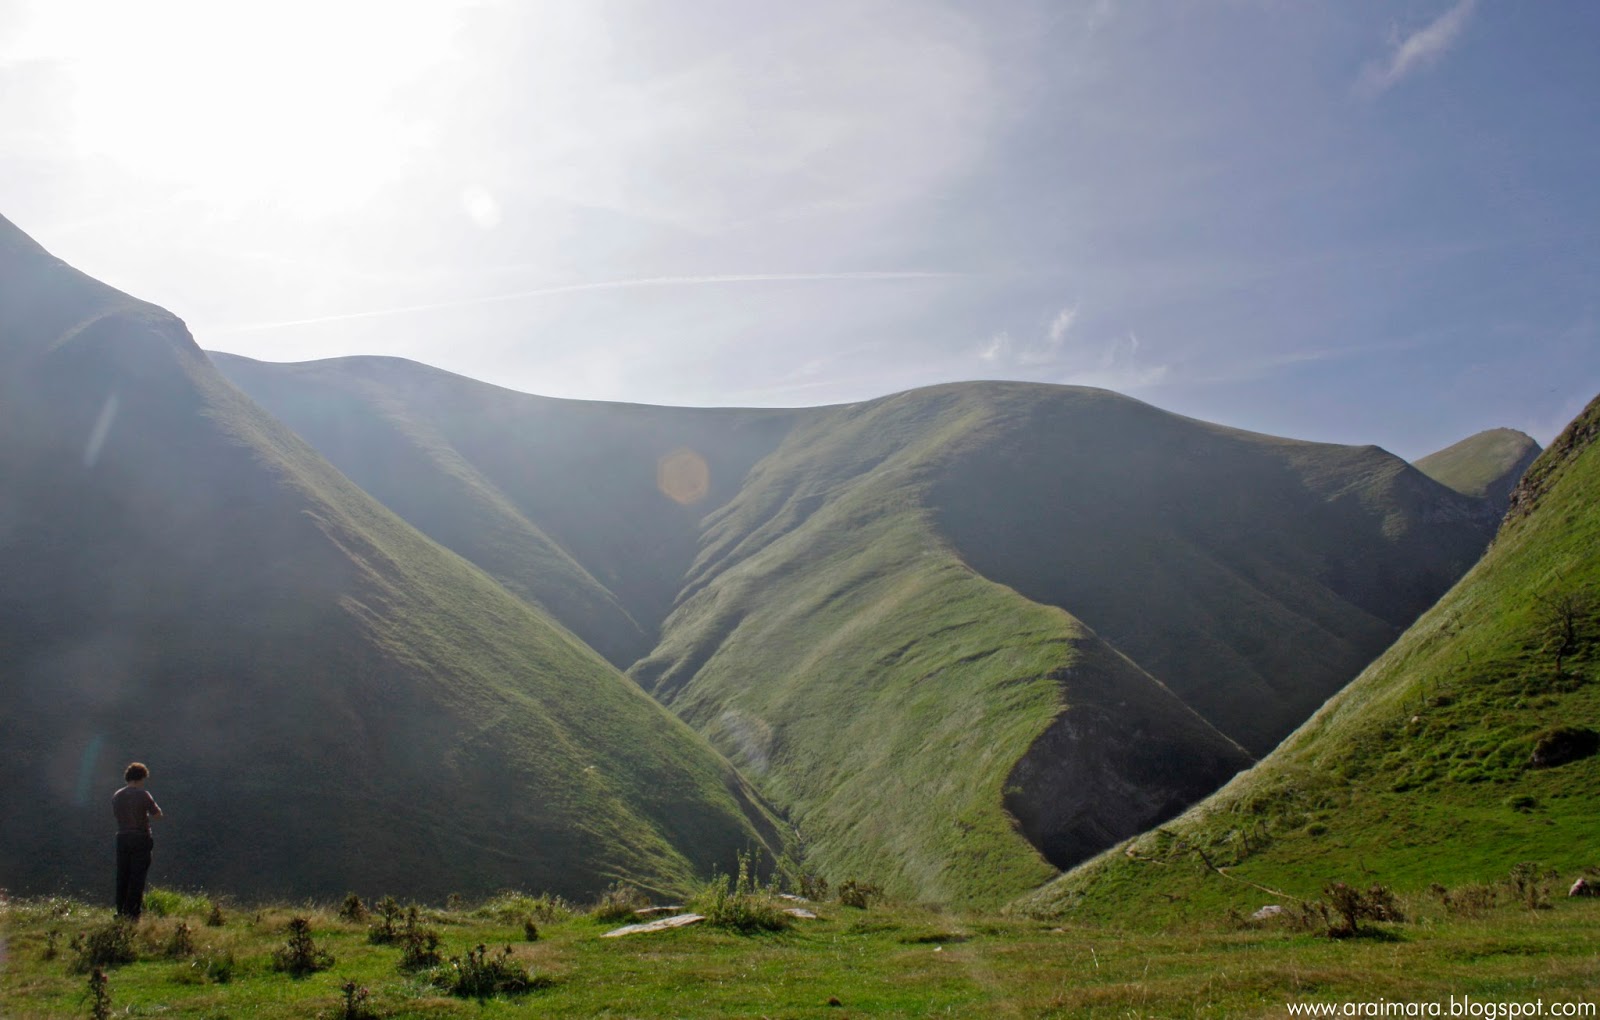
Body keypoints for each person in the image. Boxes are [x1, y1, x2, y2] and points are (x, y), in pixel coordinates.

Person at [112, 762, 163, 921]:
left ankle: (120, 911)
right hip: (141, 838)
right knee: (137, 876)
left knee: (123, 875)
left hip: (122, 837)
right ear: (140, 777)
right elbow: (157, 814)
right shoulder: (143, 795)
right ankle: (133, 913)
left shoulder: (117, 795)